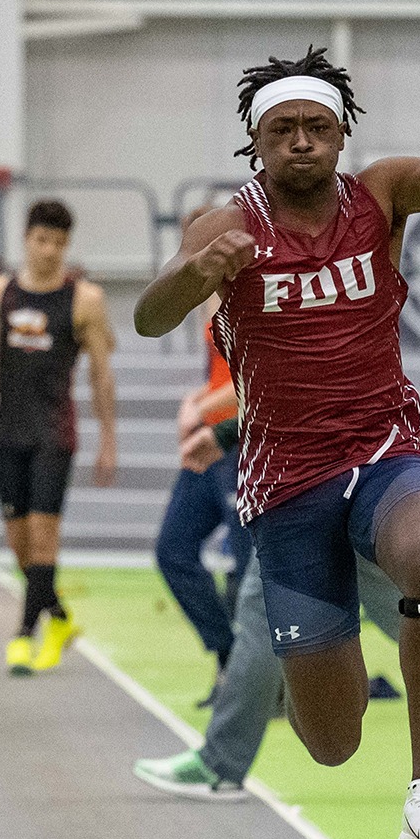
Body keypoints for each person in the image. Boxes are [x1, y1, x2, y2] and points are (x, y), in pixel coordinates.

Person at [131, 8, 420, 839]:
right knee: (331, 738)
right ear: (256, 144)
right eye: (284, 130)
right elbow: (147, 316)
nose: (302, 141)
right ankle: (334, 702)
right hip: (286, 486)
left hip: (384, 450)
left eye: (318, 126)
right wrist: (198, 272)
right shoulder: (223, 225)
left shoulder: (381, 195)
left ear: (343, 135)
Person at [134, 422, 420, 804]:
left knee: (264, 616)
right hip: (352, 478)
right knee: (407, 616)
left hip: (313, 482)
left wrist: (225, 432)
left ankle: (221, 764)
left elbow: (296, 382)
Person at [0, 200, 120, 676]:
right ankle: (60, 619)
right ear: (26, 239)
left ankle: (23, 636)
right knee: (18, 542)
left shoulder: (84, 300)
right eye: (41, 240)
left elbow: (101, 375)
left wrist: (108, 436)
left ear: (67, 246)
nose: (49, 250)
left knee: (43, 537)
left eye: (58, 243)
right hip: (9, 431)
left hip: (55, 432)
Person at [153, 288, 248, 705]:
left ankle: (259, 680)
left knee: (246, 569)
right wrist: (197, 399)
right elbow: (223, 371)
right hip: (211, 440)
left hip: (245, 441)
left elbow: (259, 377)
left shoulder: (256, 289)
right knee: (173, 549)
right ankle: (229, 655)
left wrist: (203, 404)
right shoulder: (210, 296)